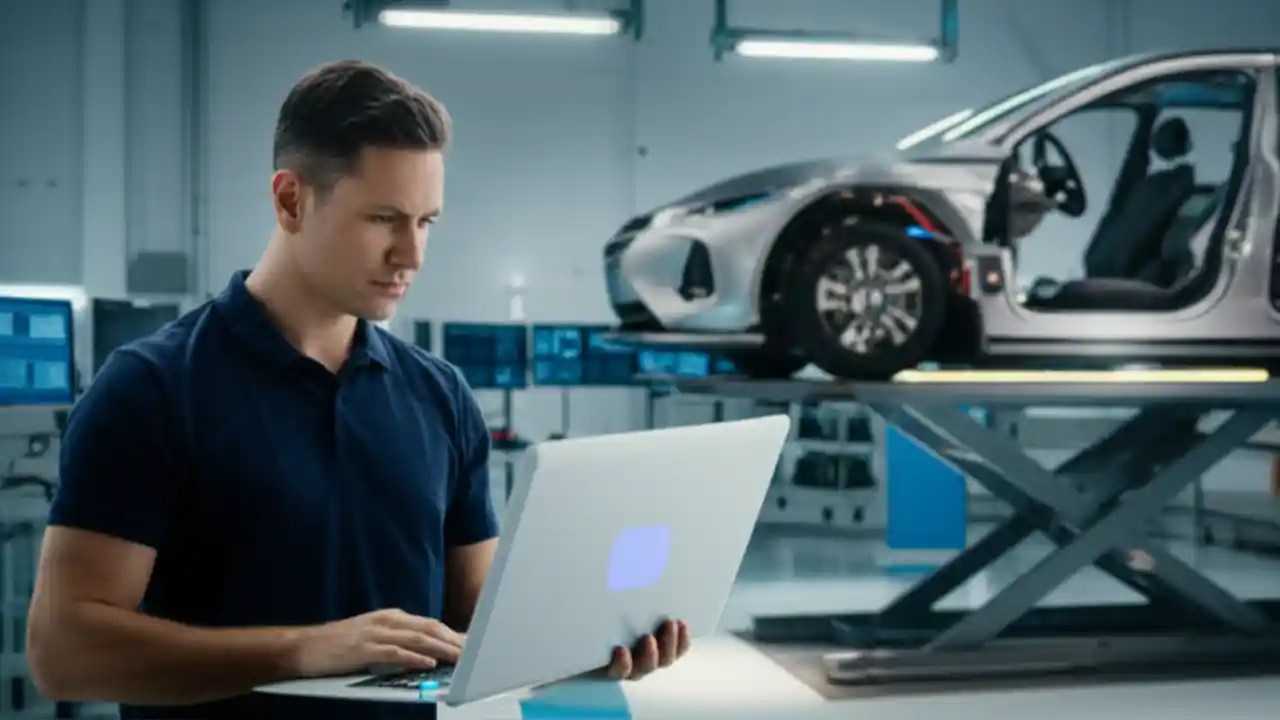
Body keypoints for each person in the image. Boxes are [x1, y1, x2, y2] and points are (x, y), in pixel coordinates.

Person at [26, 59, 690, 720]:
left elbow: (476, 618)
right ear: (290, 200)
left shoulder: (441, 397)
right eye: (383, 219)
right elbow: (65, 652)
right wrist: (301, 650)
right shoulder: (151, 389)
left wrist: (581, 645)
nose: (412, 255)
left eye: (426, 222)